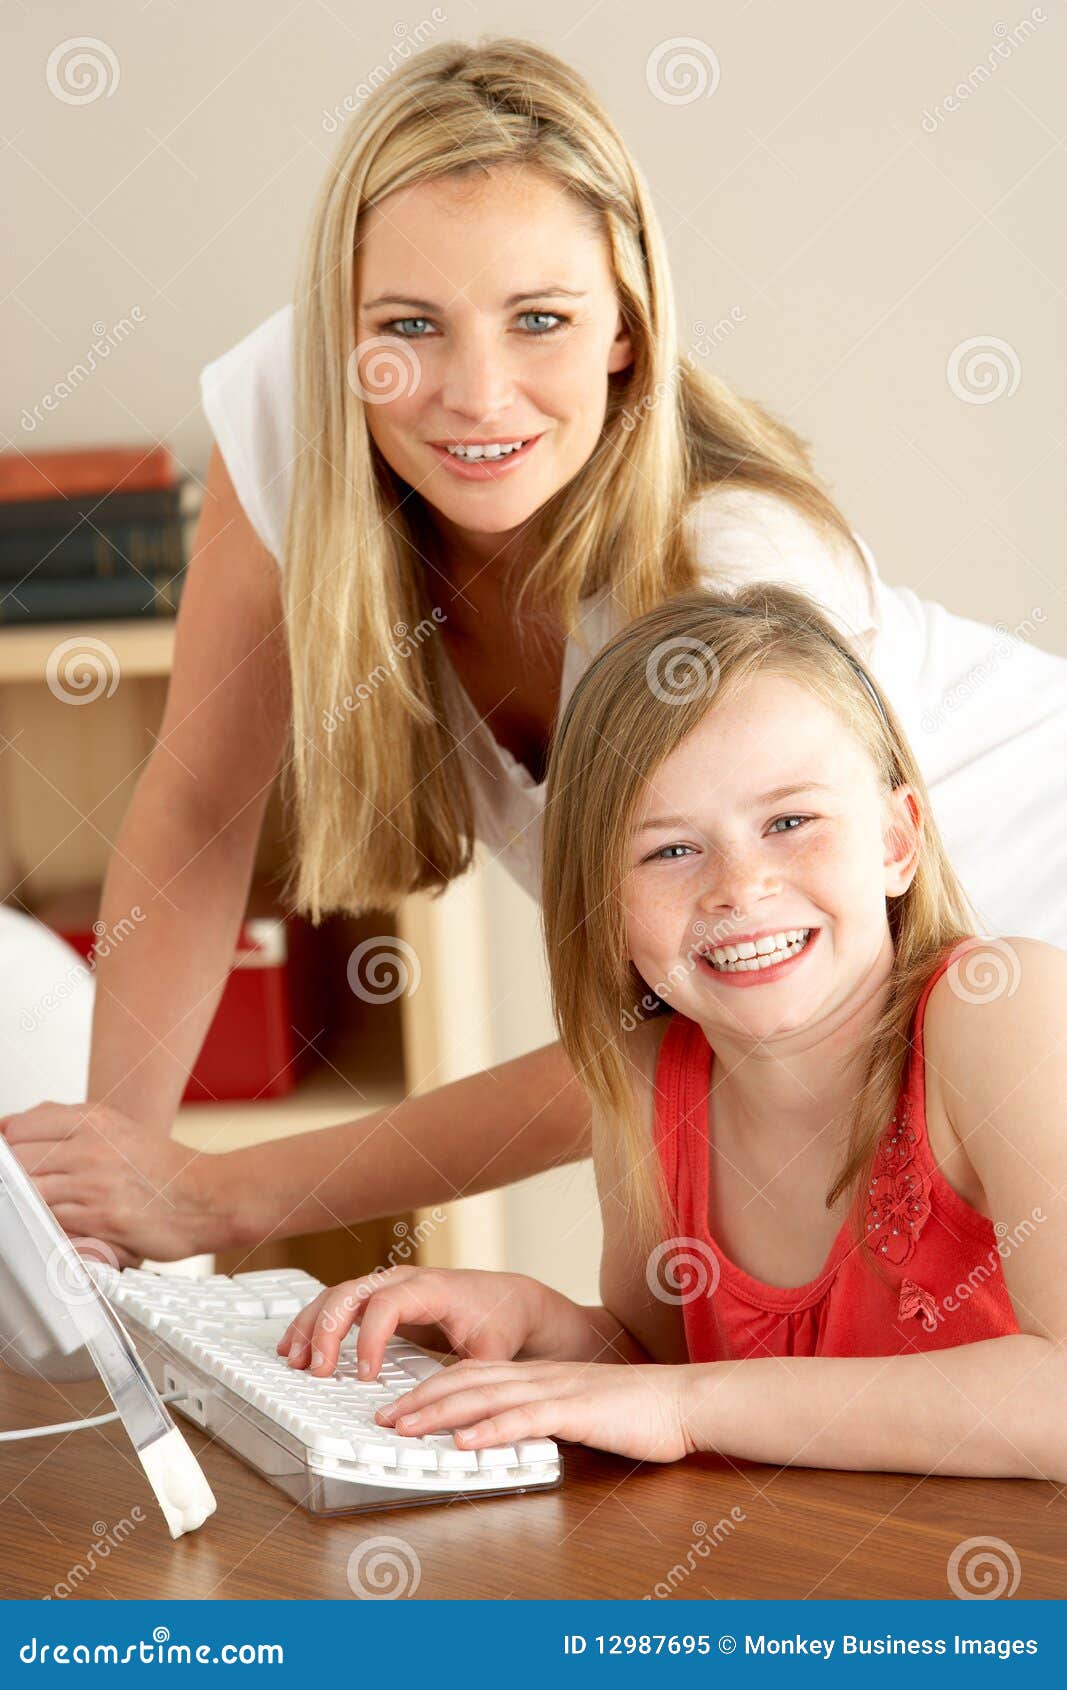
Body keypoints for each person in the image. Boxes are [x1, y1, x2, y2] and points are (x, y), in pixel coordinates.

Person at [2, 38, 1065, 1269]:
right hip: (805, 1045)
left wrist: (220, 1196)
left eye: (540, 321)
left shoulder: (730, 576)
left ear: (627, 324)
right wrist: (101, 1206)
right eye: (410, 326)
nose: (475, 393)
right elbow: (199, 806)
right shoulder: (296, 409)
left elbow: (672, 1009)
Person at [276, 585, 1067, 1480]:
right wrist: (545, 1328)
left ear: (894, 841)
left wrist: (682, 1406)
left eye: (789, 822)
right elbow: (668, 1375)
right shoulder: (649, 1080)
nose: (739, 886)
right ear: (603, 909)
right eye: (669, 851)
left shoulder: (1005, 1011)